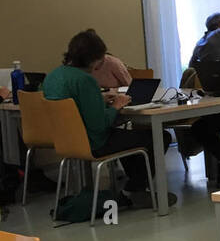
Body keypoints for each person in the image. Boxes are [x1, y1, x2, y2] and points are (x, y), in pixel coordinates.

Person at [43, 29, 170, 209]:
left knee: (129, 139)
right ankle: (134, 190)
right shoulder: (85, 80)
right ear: (94, 59)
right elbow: (99, 125)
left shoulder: (53, 76)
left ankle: (133, 190)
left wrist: (97, 99)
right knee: (160, 137)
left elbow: (74, 105)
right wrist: (116, 106)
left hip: (68, 142)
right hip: (94, 142)